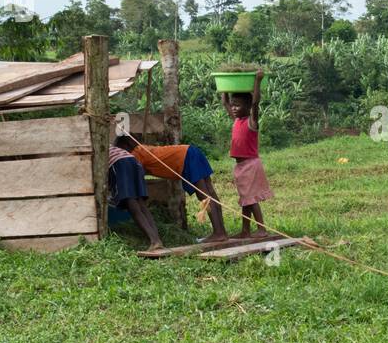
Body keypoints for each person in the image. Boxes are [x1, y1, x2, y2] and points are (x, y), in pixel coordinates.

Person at [112, 134, 228, 242]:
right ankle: (221, 231)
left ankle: (218, 233)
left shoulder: (135, 154)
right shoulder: (143, 149)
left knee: (204, 196)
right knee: (210, 192)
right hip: (191, 151)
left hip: (186, 157)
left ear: (124, 147)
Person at [222, 69, 273, 239]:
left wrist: (257, 81)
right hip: (241, 166)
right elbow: (225, 104)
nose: (234, 108)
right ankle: (245, 230)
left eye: (238, 105)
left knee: (251, 199)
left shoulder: (251, 122)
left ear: (247, 106)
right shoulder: (236, 120)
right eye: (233, 104)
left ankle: (261, 229)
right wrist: (224, 86)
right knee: (246, 199)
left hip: (251, 165)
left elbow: (256, 103)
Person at [107, 144, 163, 251]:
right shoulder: (105, 142)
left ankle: (154, 241)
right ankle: (157, 239)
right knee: (141, 204)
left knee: (132, 205)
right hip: (134, 161)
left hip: (119, 163)